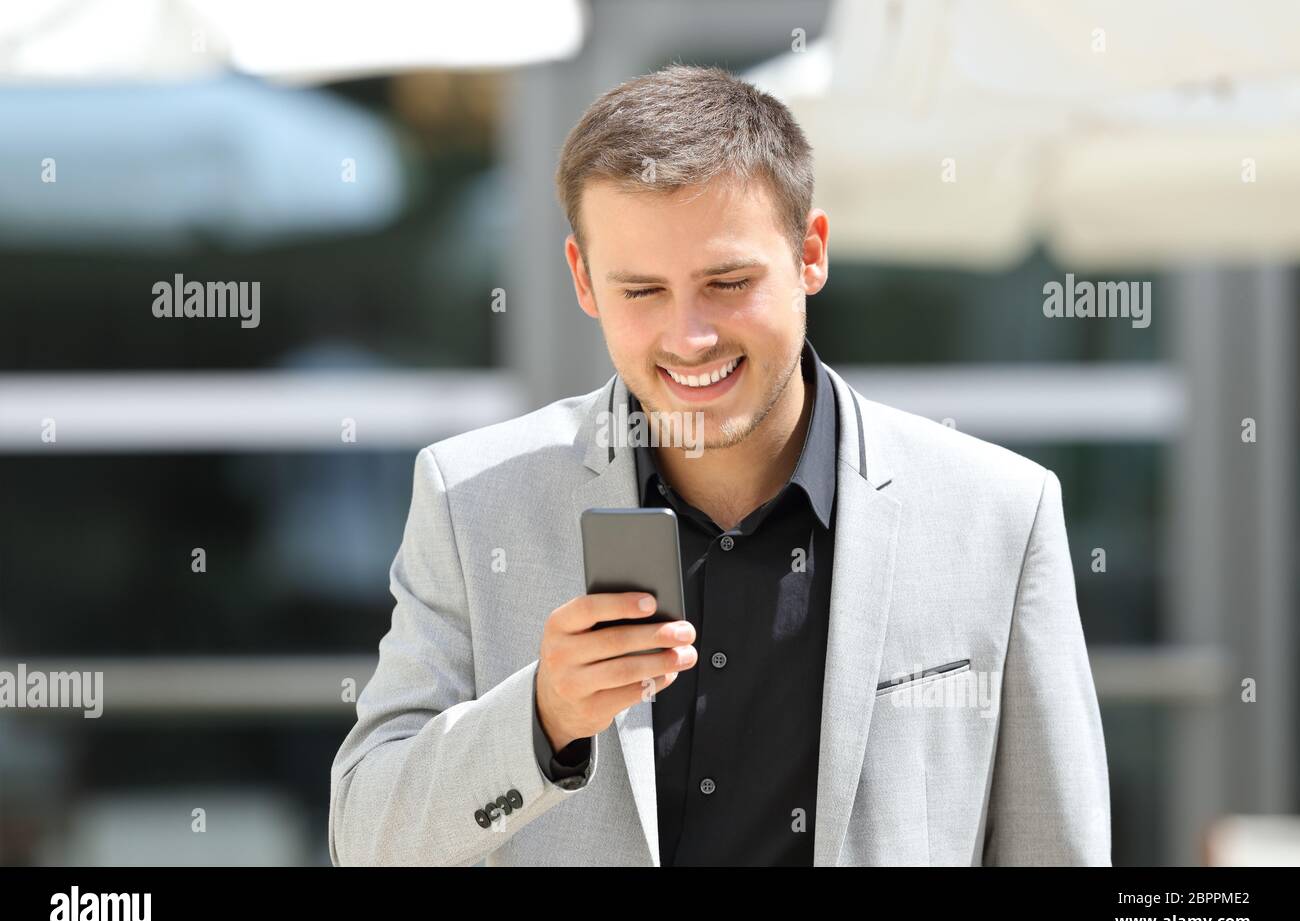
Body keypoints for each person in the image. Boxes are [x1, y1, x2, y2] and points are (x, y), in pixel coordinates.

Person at [328, 64, 1111, 866]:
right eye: (642, 292)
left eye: (727, 282)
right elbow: (367, 838)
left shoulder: (1000, 515)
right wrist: (543, 716)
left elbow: (1058, 848)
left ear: (810, 254)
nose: (689, 337)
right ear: (582, 280)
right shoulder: (473, 501)